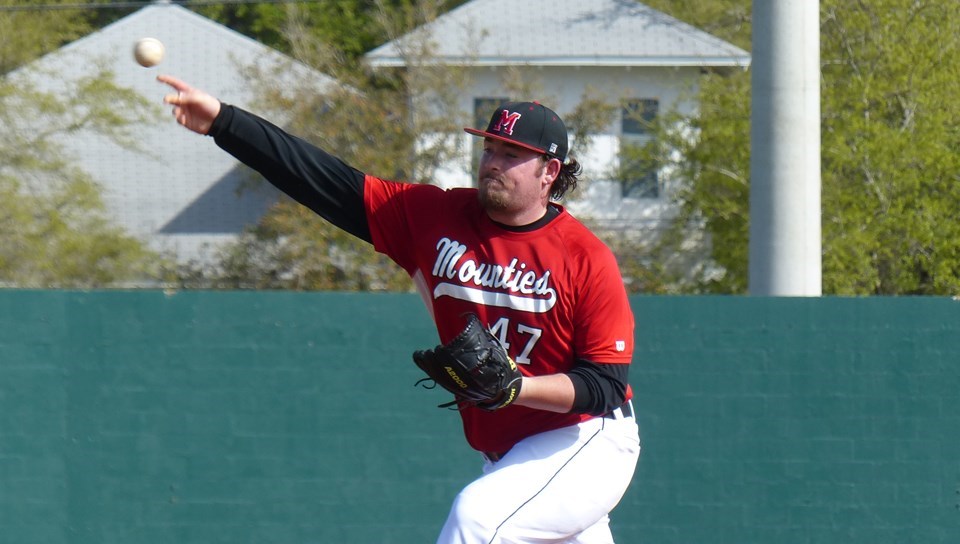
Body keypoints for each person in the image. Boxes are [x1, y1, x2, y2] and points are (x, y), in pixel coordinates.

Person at [158, 74, 641, 544]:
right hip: (510, 454)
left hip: (586, 442)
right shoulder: (435, 217)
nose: (492, 162)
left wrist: (517, 387)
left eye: (511, 155)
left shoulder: (584, 257)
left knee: (478, 521)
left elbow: (605, 385)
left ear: (548, 172)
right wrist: (225, 122)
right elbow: (325, 180)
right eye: (489, 148)